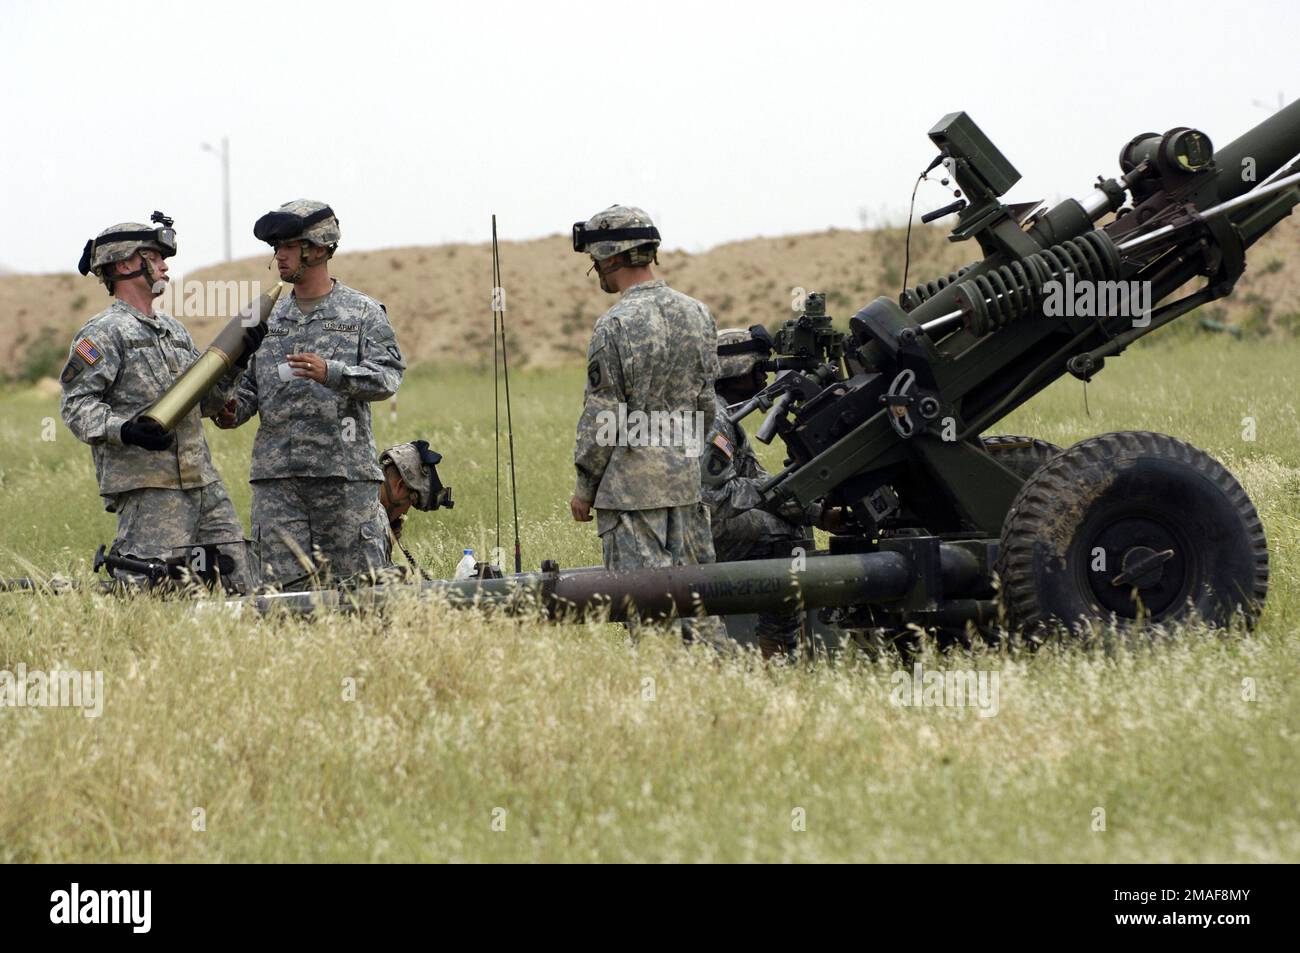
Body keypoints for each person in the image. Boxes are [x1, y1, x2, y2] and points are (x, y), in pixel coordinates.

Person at [216, 200, 404, 589]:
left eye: (288, 247)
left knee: (360, 591)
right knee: (282, 598)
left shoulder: (362, 313)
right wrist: (229, 406)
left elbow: (387, 378)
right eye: (276, 248)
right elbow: (248, 394)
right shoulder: (265, 319)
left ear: (318, 248)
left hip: (343, 480)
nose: (278, 257)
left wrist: (331, 373)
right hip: (277, 483)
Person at [62, 215, 253, 591]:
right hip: (151, 490)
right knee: (146, 592)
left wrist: (237, 361)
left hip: (203, 484)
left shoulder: (175, 332)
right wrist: (127, 430)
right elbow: (76, 407)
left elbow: (206, 404)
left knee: (241, 584)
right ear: (124, 264)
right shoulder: (103, 332)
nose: (165, 265)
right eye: (154, 256)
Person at [569, 204, 729, 648]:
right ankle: (717, 700)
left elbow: (604, 418)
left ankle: (664, 707)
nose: (595, 269)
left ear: (612, 257)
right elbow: (706, 405)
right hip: (687, 490)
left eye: (595, 260)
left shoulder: (614, 324)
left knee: (650, 623)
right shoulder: (698, 314)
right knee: (700, 613)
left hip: (631, 498)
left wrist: (585, 487)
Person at [702, 326, 841, 659]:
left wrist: (819, 514)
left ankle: (779, 645)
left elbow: (760, 481)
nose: (763, 379)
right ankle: (778, 650)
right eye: (757, 369)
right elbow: (713, 496)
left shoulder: (727, 417)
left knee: (793, 524)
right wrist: (770, 495)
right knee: (784, 537)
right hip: (698, 526)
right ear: (735, 373)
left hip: (706, 519)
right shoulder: (713, 419)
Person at [375, 440, 453, 572]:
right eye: (410, 503)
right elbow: (373, 584)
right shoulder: (372, 516)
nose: (405, 512)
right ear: (400, 486)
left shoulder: (363, 501)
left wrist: (386, 543)